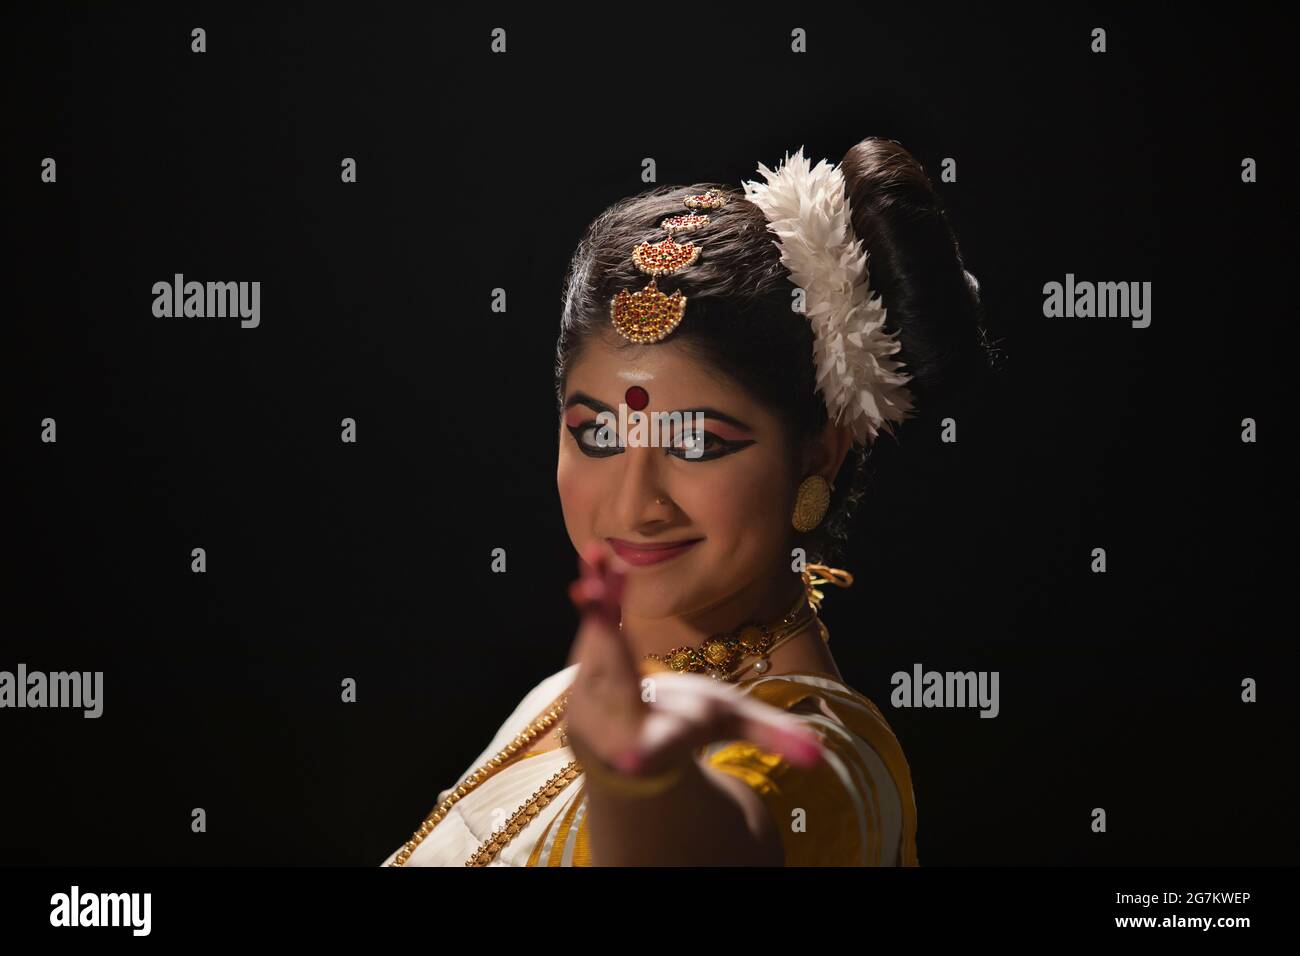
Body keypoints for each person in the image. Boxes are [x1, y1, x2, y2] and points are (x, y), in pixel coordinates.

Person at [381, 137, 997, 867]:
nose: (636, 503)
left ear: (818, 453)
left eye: (697, 443)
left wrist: (641, 784)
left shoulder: (815, 761)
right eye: (599, 434)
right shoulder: (566, 693)